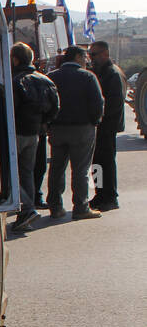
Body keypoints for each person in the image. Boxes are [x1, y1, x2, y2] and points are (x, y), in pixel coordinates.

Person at [46, 45, 104, 220]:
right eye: (85, 56)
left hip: (57, 129)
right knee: (80, 170)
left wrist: (49, 124)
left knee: (56, 168)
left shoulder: (52, 77)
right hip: (82, 129)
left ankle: (55, 207)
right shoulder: (87, 77)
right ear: (78, 57)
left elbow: (46, 102)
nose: (86, 60)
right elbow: (97, 103)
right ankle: (81, 207)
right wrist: (95, 121)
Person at [9, 42, 59, 233]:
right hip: (35, 134)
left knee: (9, 174)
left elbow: (11, 109)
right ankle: (25, 215)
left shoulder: (16, 81)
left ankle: (27, 209)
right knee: (27, 173)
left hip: (17, 133)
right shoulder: (44, 80)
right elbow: (55, 106)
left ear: (15, 59)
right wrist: (44, 124)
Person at [88, 40, 126, 211]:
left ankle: (109, 197)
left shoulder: (112, 74)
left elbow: (114, 103)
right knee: (97, 163)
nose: (91, 58)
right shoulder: (100, 72)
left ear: (105, 54)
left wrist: (101, 120)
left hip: (106, 126)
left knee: (106, 163)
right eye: (90, 55)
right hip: (98, 125)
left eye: (94, 55)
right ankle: (100, 194)